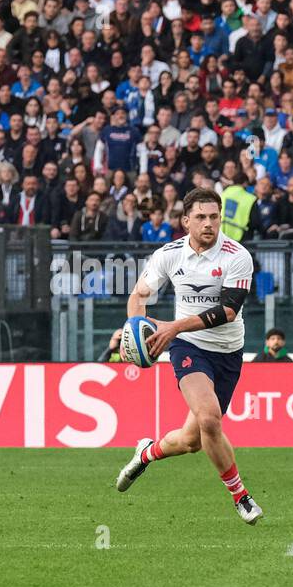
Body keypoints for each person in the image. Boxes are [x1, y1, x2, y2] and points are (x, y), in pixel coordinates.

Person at [114, 188, 263, 525]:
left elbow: (228, 310)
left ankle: (147, 452)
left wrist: (174, 326)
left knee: (192, 440)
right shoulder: (168, 254)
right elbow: (140, 294)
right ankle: (241, 497)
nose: (208, 224)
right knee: (210, 418)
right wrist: (131, 328)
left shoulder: (237, 255)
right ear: (185, 221)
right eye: (200, 217)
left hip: (227, 351)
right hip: (188, 348)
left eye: (214, 217)